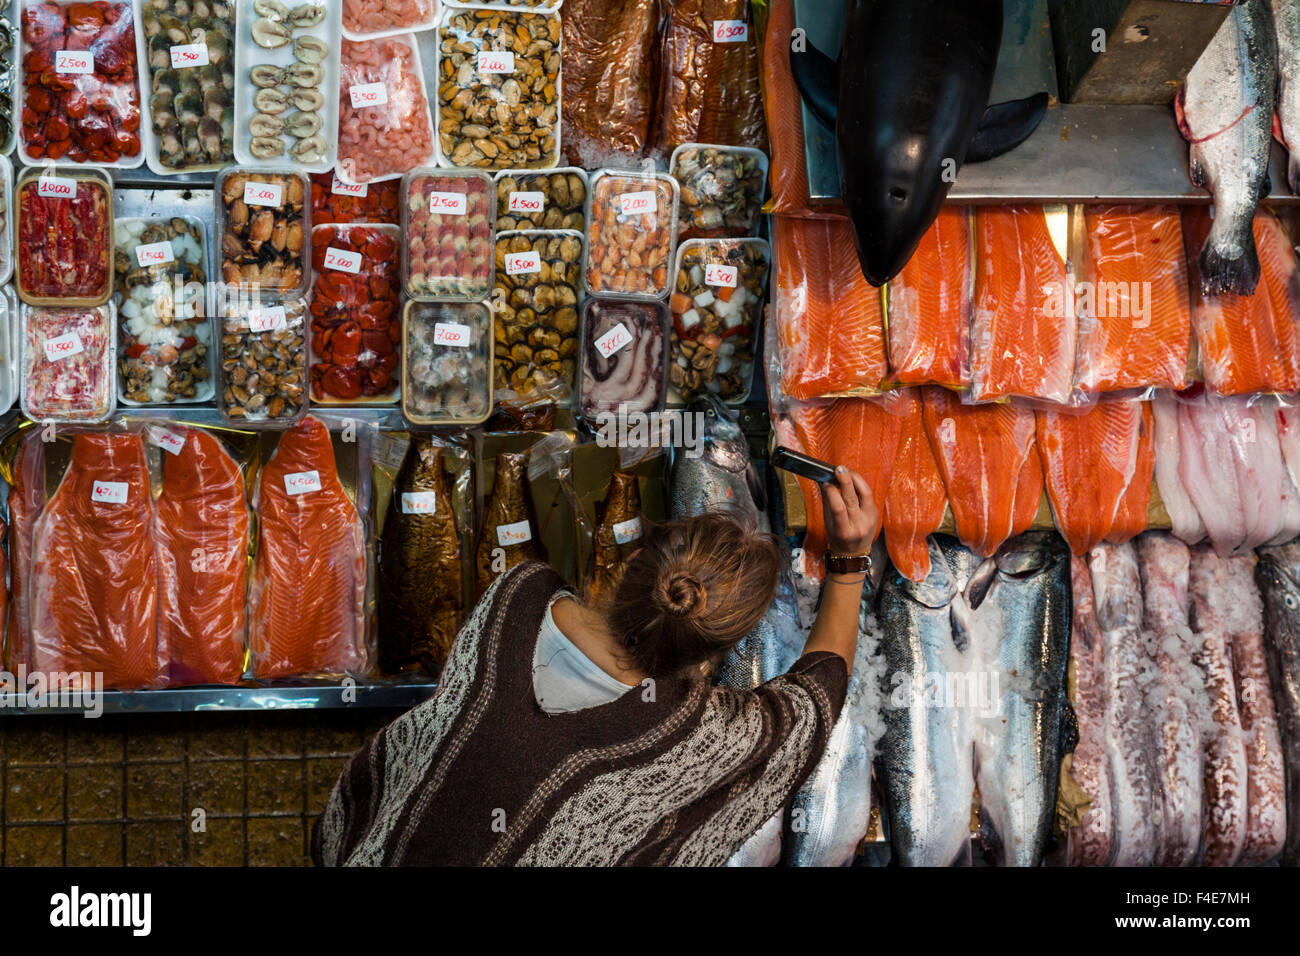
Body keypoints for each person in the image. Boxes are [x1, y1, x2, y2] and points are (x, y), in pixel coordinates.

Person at [312, 466, 877, 866]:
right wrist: (849, 562)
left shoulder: (518, 597)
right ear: (713, 653)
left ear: (632, 560)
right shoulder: (697, 734)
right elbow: (815, 695)